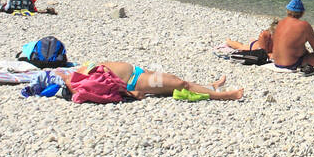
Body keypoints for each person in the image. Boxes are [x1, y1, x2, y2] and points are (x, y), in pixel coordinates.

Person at [63, 62, 244, 101]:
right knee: (180, 84)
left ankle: (211, 87)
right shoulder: (81, 82)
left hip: (137, 72)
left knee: (173, 82)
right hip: (137, 80)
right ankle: (225, 96)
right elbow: (106, 91)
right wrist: (129, 94)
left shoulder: (76, 75)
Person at [272, 0, 314, 70]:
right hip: (292, 63)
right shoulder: (304, 25)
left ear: (287, 10)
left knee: (302, 48)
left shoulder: (280, 22)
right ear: (302, 13)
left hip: (277, 62)